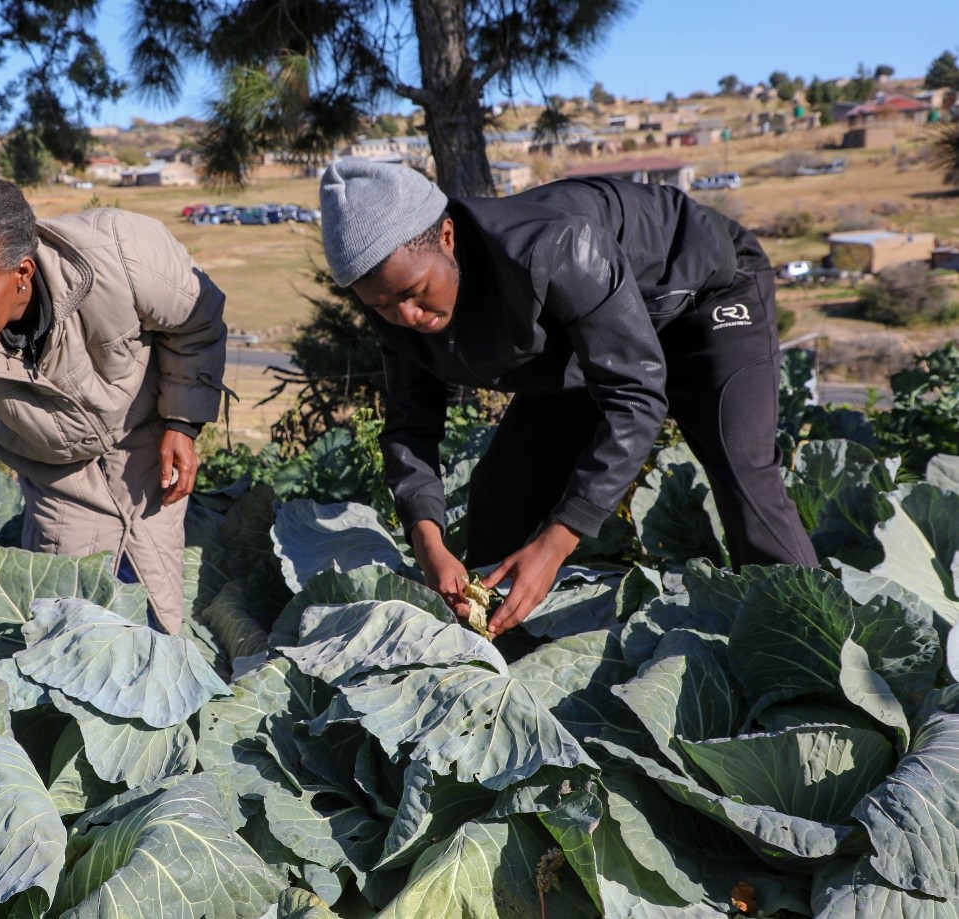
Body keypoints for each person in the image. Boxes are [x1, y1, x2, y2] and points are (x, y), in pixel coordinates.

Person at [318, 159, 818, 637]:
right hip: (587, 340)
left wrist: (558, 542)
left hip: (701, 299)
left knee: (743, 473)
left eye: (415, 290)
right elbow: (410, 426)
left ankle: (811, 642)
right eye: (381, 304)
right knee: (502, 494)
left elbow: (636, 395)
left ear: (447, 237)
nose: (405, 315)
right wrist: (428, 543)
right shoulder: (394, 301)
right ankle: (502, 643)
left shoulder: (553, 247)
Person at [0, 176, 228, 634]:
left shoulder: (123, 253)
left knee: (158, 610)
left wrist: (183, 423)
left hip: (144, 440)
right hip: (54, 470)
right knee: (71, 631)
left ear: (22, 273)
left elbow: (196, 323)